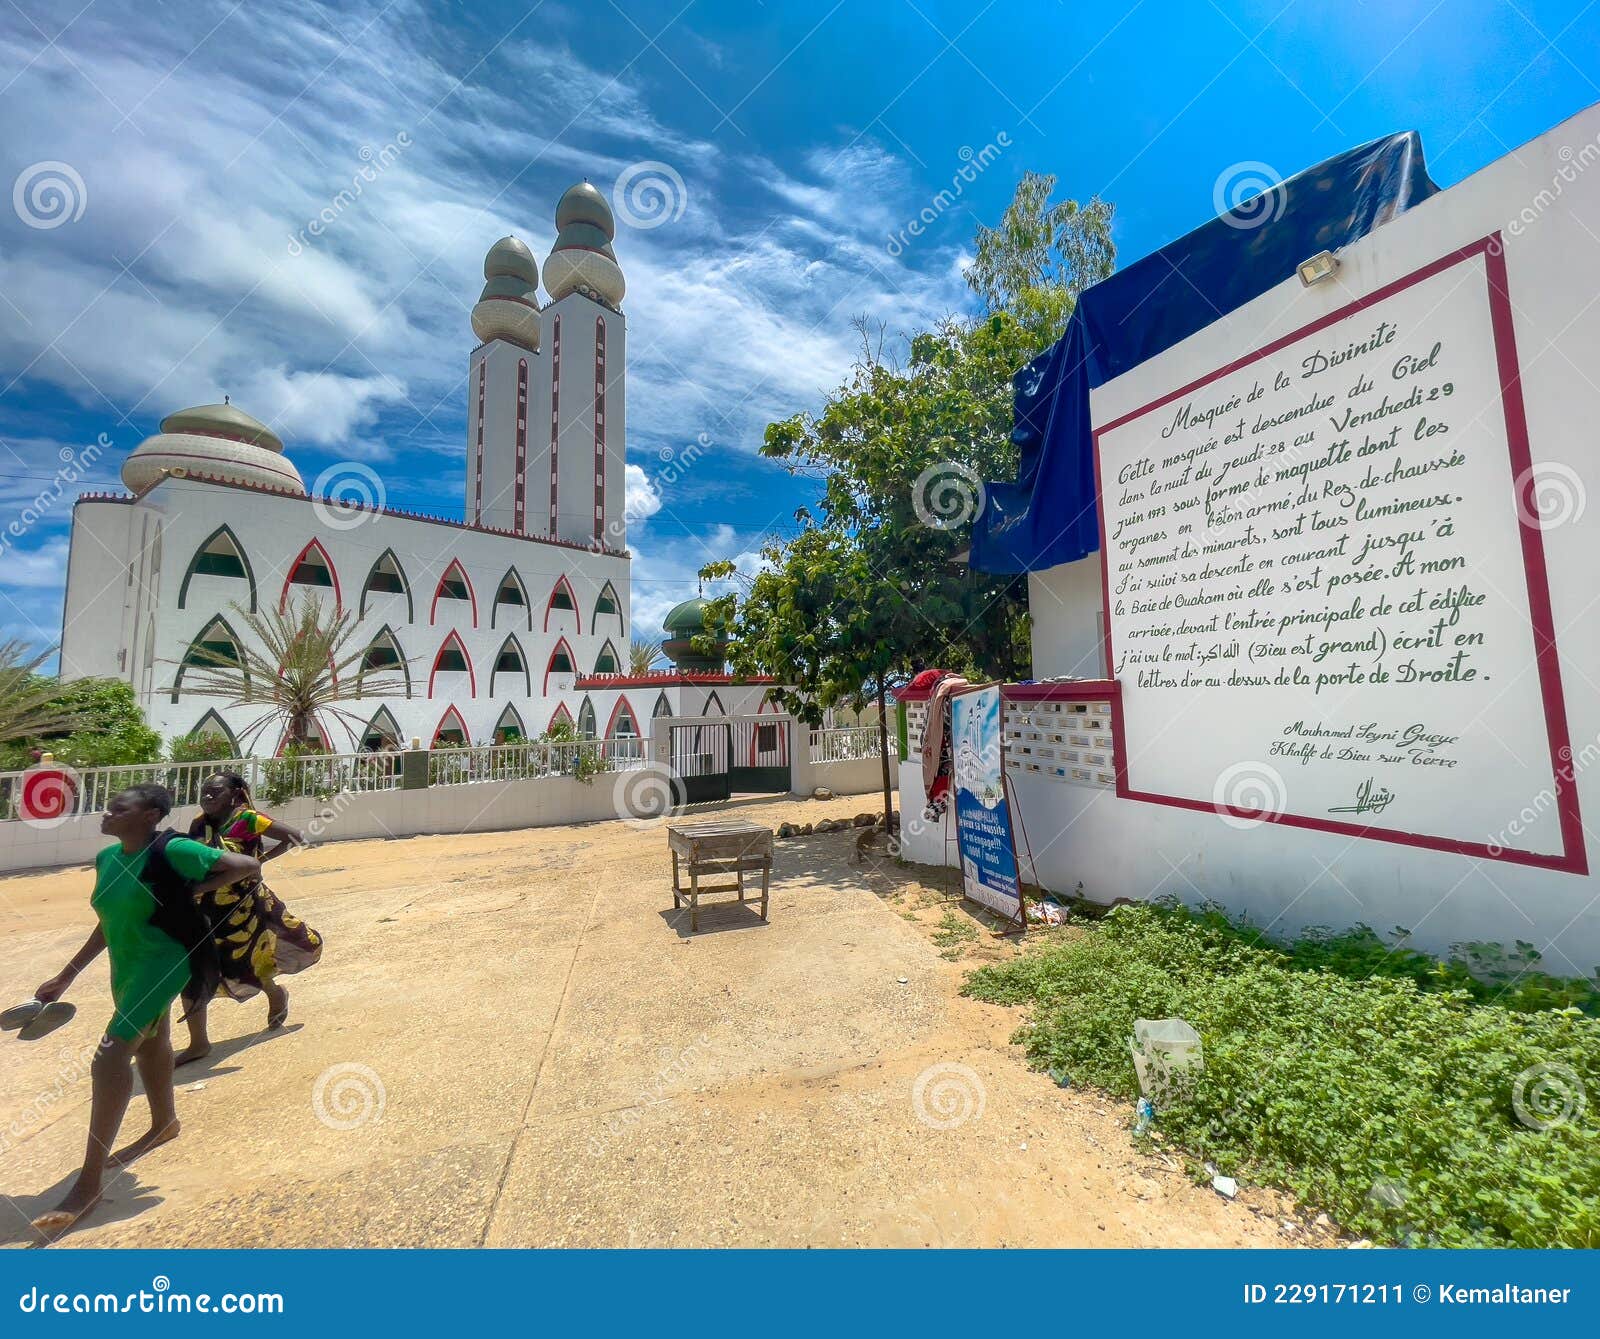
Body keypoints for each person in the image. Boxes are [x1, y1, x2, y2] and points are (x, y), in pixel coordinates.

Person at [31, 784, 259, 1241]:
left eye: (119, 808)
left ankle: (88, 1184)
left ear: (149, 814)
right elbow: (108, 922)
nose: (107, 812)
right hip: (127, 965)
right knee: (152, 1042)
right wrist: (66, 976)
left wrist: (190, 891)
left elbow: (247, 865)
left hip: (165, 960)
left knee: (110, 1057)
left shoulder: (173, 848)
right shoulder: (108, 859)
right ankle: (163, 1124)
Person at [175, 771, 322, 1065]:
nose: (207, 797)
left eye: (215, 791)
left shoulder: (249, 819)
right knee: (196, 967)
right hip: (204, 904)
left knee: (251, 959)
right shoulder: (198, 824)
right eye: (204, 791)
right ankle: (198, 1042)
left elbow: (295, 836)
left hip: (244, 905)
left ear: (235, 794)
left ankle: (274, 993)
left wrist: (259, 861)